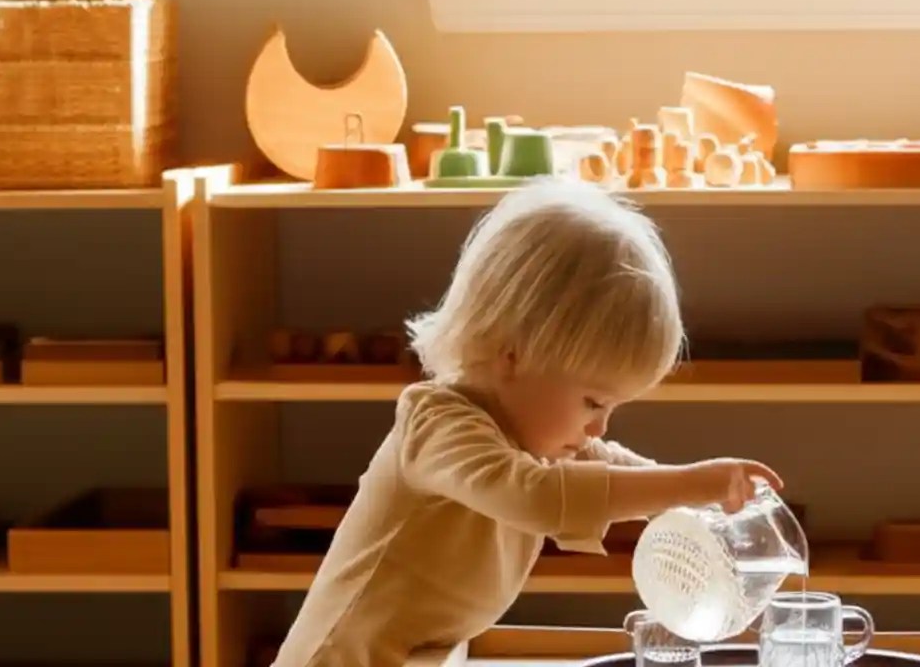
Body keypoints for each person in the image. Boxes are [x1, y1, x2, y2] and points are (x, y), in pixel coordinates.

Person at [271, 179, 784, 667]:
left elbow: (603, 462)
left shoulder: (523, 430)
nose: (598, 429)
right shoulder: (436, 422)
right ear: (512, 357)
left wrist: (688, 494)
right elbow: (535, 495)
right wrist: (694, 483)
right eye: (592, 402)